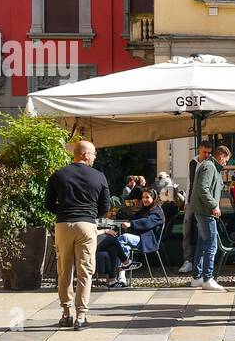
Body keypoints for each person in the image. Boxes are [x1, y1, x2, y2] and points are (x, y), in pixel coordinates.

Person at [45, 140, 110, 330]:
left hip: (63, 224)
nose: (95, 157)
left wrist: (65, 211)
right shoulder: (99, 176)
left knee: (64, 270)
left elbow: (48, 204)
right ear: (85, 155)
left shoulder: (59, 175)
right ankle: (81, 316)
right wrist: (88, 215)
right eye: (94, 154)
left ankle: (66, 313)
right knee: (85, 271)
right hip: (87, 225)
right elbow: (104, 207)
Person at [190, 144, 230, 291]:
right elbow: (202, 188)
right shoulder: (210, 167)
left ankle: (197, 277)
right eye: (226, 160)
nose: (226, 163)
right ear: (222, 156)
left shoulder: (209, 166)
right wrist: (214, 205)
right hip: (206, 212)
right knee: (211, 245)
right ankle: (207, 278)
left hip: (202, 211)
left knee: (202, 244)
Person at [179, 141, 211, 275]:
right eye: (205, 152)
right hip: (192, 201)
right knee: (187, 229)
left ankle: (199, 262)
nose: (207, 155)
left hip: (203, 203)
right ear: (199, 150)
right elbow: (189, 182)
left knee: (201, 232)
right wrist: (187, 200)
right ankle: (188, 260)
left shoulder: (210, 164)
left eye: (209, 153)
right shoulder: (193, 162)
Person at [117, 187, 165, 267]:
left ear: (154, 198)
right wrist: (128, 222)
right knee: (125, 248)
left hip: (148, 240)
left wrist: (131, 224)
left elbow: (147, 222)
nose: (144, 199)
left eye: (147, 197)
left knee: (123, 238)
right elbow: (133, 218)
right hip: (139, 238)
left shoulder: (157, 211)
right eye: (143, 197)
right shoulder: (144, 209)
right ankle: (121, 273)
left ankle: (120, 265)